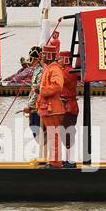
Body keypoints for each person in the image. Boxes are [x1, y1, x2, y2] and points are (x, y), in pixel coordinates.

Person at [37, 40, 66, 168]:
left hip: (53, 108)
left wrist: (41, 90)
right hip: (48, 108)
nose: (42, 57)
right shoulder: (49, 68)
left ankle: (55, 163)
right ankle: (53, 161)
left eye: (44, 55)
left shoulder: (54, 69)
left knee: (53, 136)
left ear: (49, 56)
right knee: (51, 136)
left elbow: (57, 86)